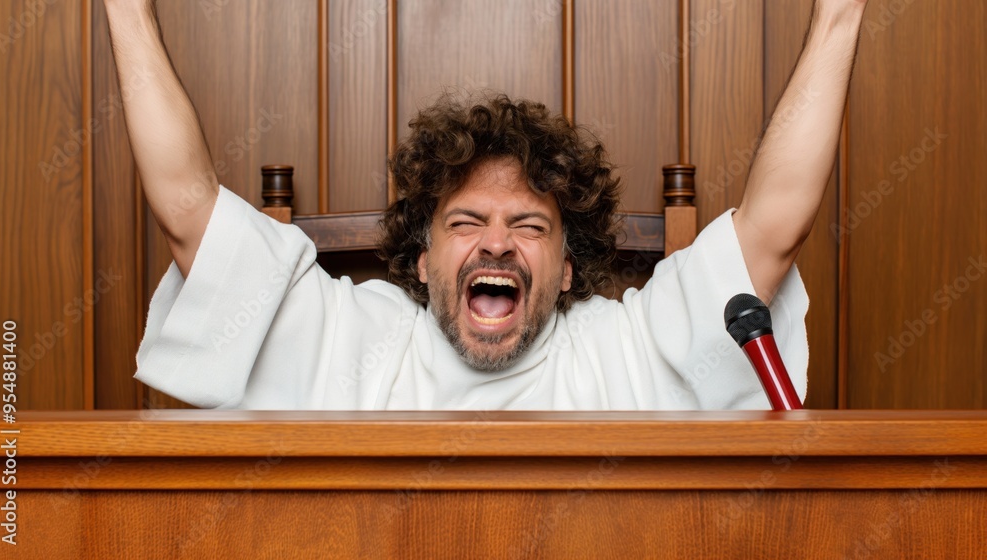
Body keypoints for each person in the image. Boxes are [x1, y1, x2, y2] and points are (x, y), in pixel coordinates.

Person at [104, 0, 869, 409]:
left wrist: (839, 13)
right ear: (423, 256)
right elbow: (187, 208)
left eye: (529, 226)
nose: (496, 244)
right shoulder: (344, 336)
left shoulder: (630, 346)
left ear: (568, 269)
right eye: (465, 223)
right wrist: (127, 8)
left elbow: (773, 226)